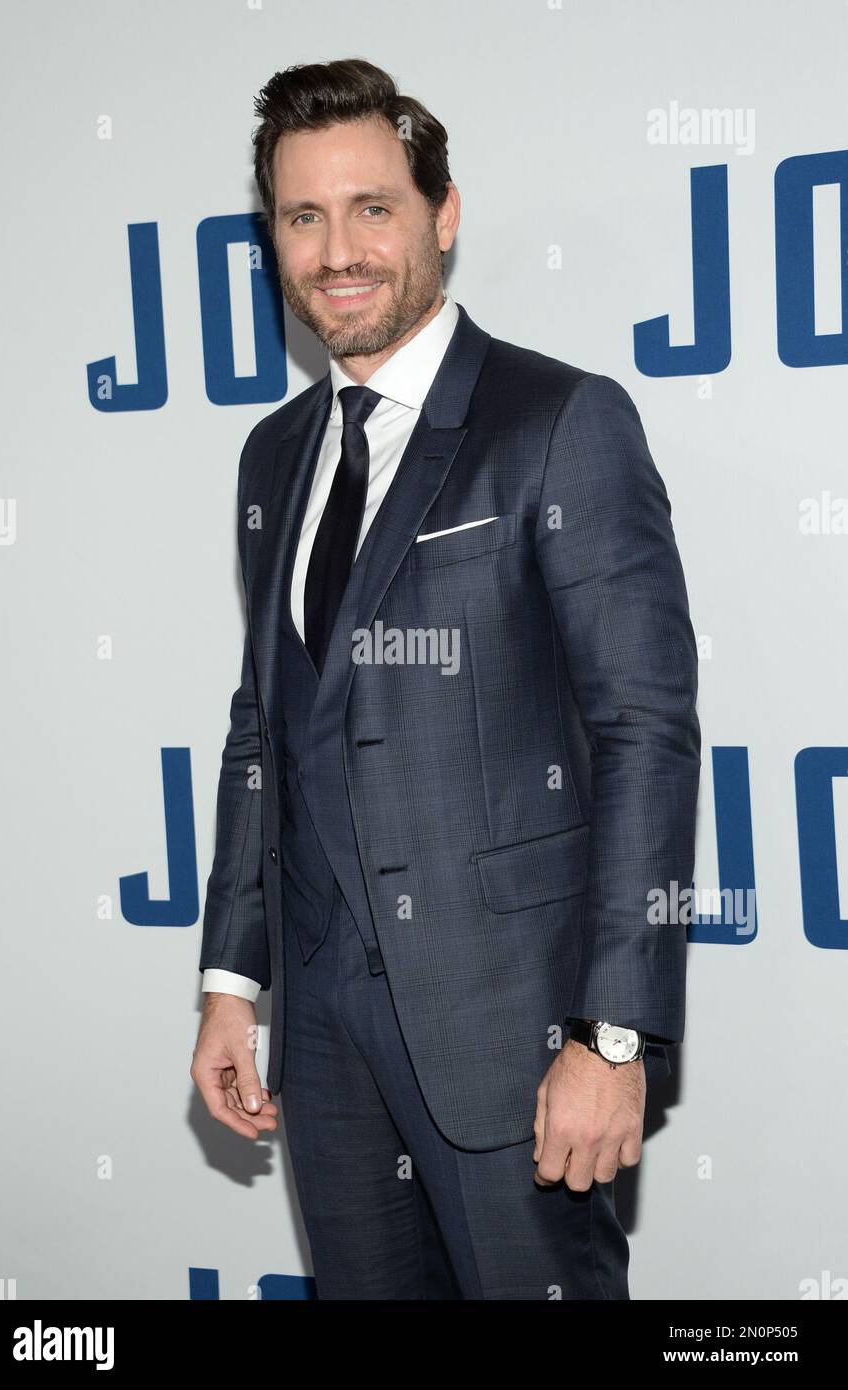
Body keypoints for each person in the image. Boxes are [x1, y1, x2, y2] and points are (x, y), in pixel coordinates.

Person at [190, 57, 701, 1300]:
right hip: (327, 1038)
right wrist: (231, 981)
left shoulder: (557, 421)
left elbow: (644, 732)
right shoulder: (271, 458)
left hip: (516, 1035)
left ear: (444, 215)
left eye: (372, 208)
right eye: (302, 217)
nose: (337, 249)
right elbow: (269, 726)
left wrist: (610, 1034)